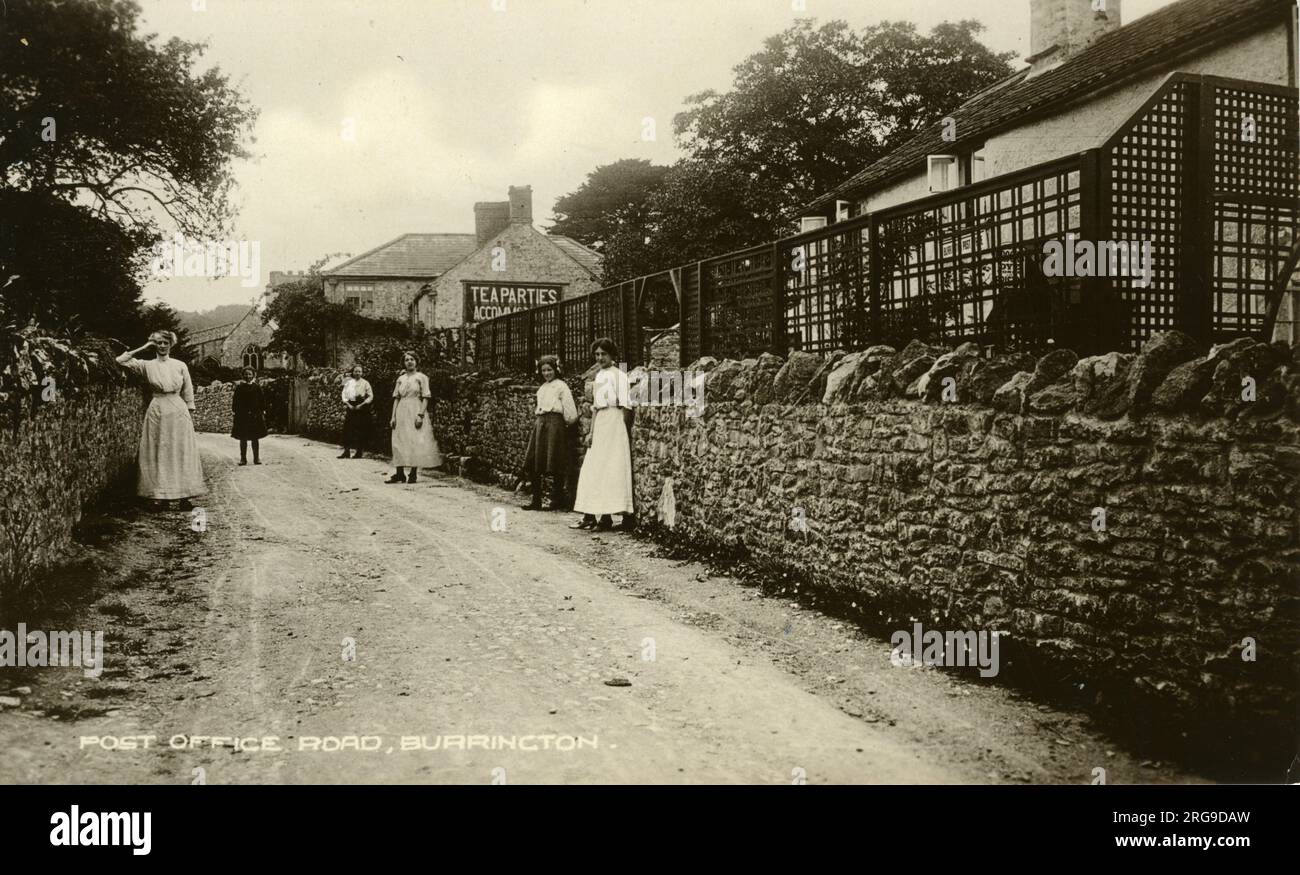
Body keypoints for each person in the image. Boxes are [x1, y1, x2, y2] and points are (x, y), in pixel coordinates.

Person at [115, 330, 205, 505]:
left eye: (165, 342)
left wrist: (189, 413)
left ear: (171, 344)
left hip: (178, 409)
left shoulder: (180, 365)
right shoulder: (147, 365)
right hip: (157, 409)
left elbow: (188, 390)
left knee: (180, 451)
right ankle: (160, 496)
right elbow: (120, 360)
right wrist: (144, 347)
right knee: (159, 451)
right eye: (158, 343)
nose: (162, 346)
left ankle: (183, 496)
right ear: (153, 345)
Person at [570, 338, 635, 532]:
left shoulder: (619, 376)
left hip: (615, 424)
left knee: (612, 469)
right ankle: (593, 515)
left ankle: (609, 517)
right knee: (594, 469)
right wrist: (591, 432)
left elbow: (626, 407)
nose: (600, 358)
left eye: (603, 354)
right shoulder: (599, 376)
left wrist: (624, 432)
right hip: (601, 426)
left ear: (612, 355)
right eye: (597, 355)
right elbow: (596, 408)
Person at [521, 355, 578, 511]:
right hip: (540, 424)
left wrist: (564, 426)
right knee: (534, 461)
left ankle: (557, 499)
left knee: (555, 462)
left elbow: (570, 412)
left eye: (550, 370)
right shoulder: (542, 388)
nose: (547, 373)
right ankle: (536, 500)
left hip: (555, 425)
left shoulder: (561, 386)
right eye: (544, 370)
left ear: (556, 370)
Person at [387, 351, 441, 484]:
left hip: (415, 409)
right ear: (403, 363)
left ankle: (413, 473)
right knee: (398, 441)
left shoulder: (422, 377)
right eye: (406, 360)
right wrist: (393, 416)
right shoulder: (400, 379)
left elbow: (426, 397)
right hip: (401, 411)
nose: (409, 362)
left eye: (412, 359)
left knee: (414, 440)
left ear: (416, 361)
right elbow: (396, 398)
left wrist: (420, 415)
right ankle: (399, 473)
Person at [231, 366, 267, 465]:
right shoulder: (239, 388)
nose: (248, 376)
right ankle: (243, 459)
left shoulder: (257, 387)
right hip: (242, 416)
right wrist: (236, 412)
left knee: (255, 438)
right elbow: (235, 401)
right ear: (243, 375)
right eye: (246, 374)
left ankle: (256, 458)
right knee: (243, 438)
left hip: (255, 416)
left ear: (253, 375)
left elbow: (261, 400)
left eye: (250, 374)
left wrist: (262, 411)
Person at [339, 364, 373, 459]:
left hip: (361, 407)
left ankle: (359, 452)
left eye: (359, 371)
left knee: (360, 429)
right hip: (351, 406)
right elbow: (344, 394)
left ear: (362, 373)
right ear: (353, 372)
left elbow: (370, 396)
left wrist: (362, 404)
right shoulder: (349, 383)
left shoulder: (366, 383)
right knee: (348, 428)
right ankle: (346, 451)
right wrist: (348, 404)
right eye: (356, 371)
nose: (357, 373)